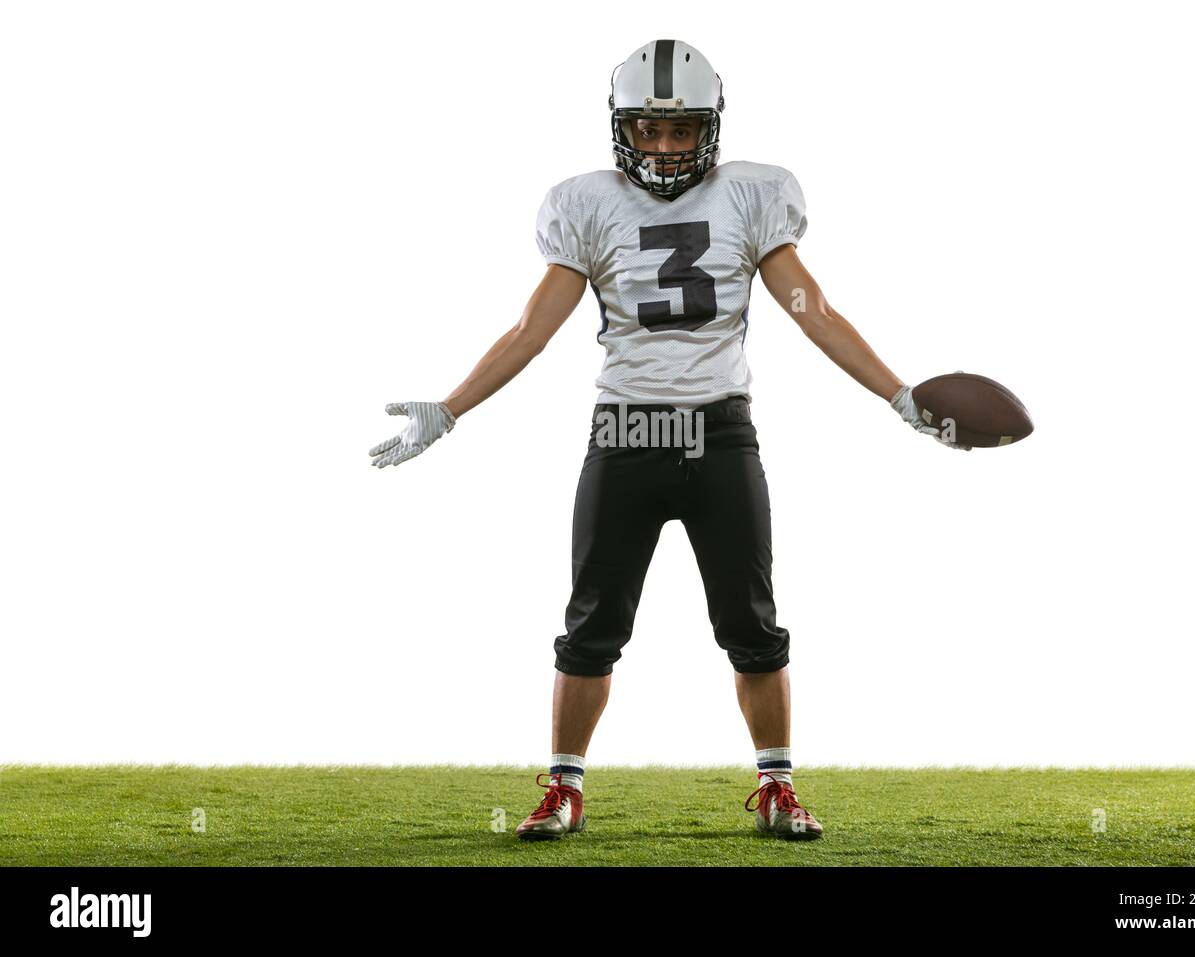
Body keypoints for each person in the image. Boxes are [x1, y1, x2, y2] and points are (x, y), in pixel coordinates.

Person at [368, 39, 964, 843]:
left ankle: (778, 785)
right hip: (625, 434)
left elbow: (813, 311)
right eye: (648, 131)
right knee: (591, 627)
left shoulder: (751, 199)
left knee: (753, 624)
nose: (663, 147)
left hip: (721, 434)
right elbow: (529, 332)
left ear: (709, 128)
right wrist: (449, 408)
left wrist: (900, 394)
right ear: (622, 129)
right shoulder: (590, 205)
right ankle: (564, 788)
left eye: (680, 131)